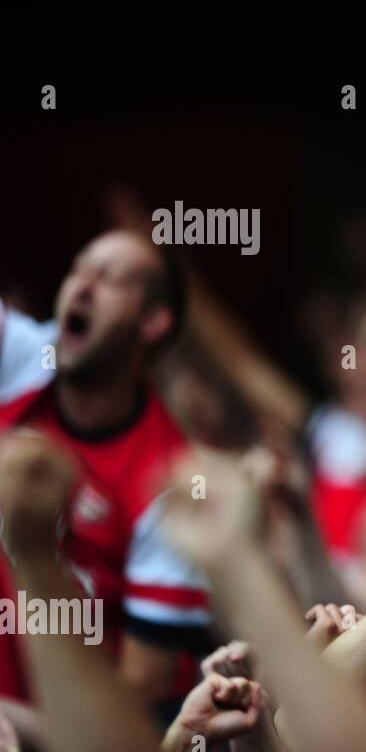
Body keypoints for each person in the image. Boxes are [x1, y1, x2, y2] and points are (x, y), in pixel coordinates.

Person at [0, 230, 209, 707]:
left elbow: (144, 688)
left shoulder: (172, 483)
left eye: (108, 277)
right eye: (78, 268)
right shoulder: (21, 356)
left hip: (63, 742)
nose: (81, 285)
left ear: (153, 322)